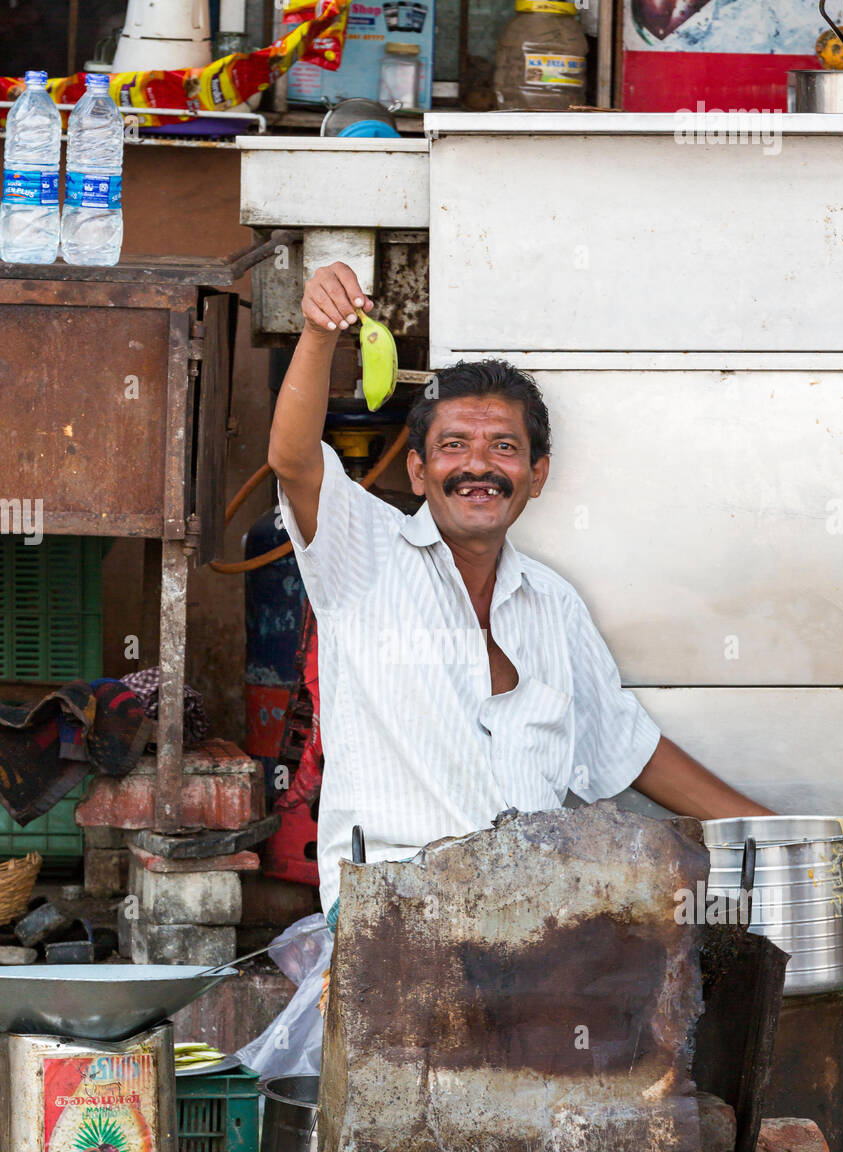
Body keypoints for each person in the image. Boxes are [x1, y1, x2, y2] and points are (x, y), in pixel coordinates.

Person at [268, 262, 771, 922]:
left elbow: (629, 751)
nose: (478, 465)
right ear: (418, 471)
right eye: (453, 445)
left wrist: (787, 831)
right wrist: (316, 332)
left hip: (532, 925)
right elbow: (294, 461)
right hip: (390, 919)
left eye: (503, 447)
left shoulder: (554, 606)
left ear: (536, 475)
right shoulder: (363, 556)